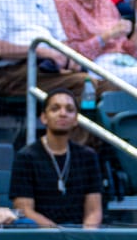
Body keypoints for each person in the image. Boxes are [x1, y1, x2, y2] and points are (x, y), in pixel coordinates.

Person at [10, 88, 104, 227]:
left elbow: (94, 210)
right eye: (55, 109)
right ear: (44, 118)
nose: (63, 114)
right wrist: (58, 234)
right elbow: (25, 210)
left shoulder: (88, 157)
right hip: (40, 235)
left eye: (69, 110)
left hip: (80, 236)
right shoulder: (26, 157)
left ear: (76, 119)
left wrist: (85, 237)